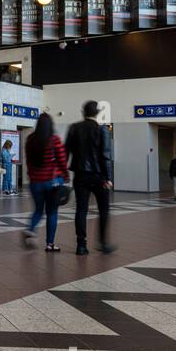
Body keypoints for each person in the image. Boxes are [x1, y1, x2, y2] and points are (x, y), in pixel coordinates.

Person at [65, 101, 114, 255]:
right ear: (97, 113)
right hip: (99, 176)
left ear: (83, 112)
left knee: (81, 210)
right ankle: (103, 243)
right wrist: (108, 178)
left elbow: (66, 152)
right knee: (103, 210)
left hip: (80, 175)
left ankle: (81, 245)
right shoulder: (102, 129)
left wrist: (63, 173)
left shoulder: (74, 128)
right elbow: (105, 156)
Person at [23, 113, 67, 252]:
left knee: (38, 210)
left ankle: (31, 230)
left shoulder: (30, 140)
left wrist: (32, 176)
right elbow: (62, 160)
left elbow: (28, 162)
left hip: (35, 182)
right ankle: (50, 244)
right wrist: (66, 175)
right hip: (52, 182)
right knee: (52, 212)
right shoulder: (54, 140)